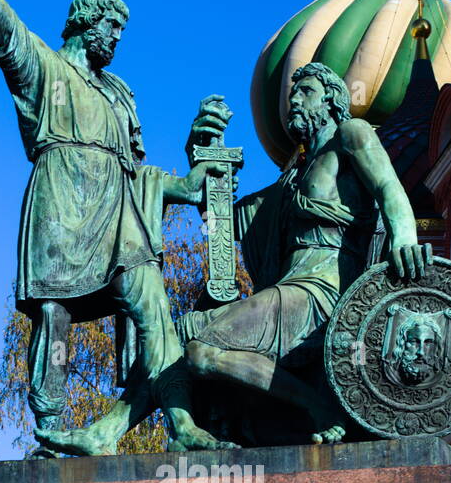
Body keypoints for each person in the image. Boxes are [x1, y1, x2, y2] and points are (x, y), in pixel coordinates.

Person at [0, 0, 233, 456]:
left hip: (118, 214)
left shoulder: (121, 95)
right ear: (84, 23)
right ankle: (52, 422)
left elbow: (141, 174)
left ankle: (181, 422)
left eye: (122, 30)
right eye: (111, 26)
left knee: (152, 297)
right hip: (60, 200)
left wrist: (189, 182)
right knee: (54, 311)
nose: (117, 37)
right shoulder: (43, 68)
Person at [183, 61, 432, 441]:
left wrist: (405, 236)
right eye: (292, 94)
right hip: (288, 288)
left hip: (323, 290)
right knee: (180, 333)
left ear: (332, 101)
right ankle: (166, 432)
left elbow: (387, 187)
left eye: (306, 92)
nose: (294, 101)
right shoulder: (292, 178)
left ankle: (318, 406)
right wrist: (202, 159)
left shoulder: (351, 134)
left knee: (201, 351)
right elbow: (225, 222)